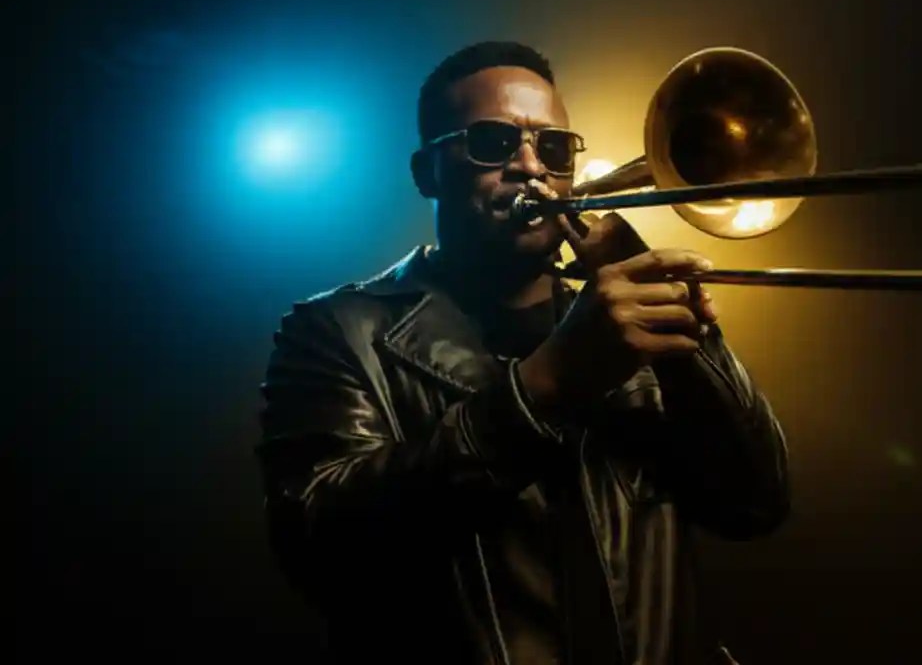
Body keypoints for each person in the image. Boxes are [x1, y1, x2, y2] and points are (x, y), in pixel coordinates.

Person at [254, 40, 790, 664]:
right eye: (493, 143)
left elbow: (756, 504)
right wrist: (546, 383)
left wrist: (693, 352)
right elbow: (321, 549)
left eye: (553, 148)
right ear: (427, 172)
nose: (531, 167)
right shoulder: (336, 331)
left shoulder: (628, 321)